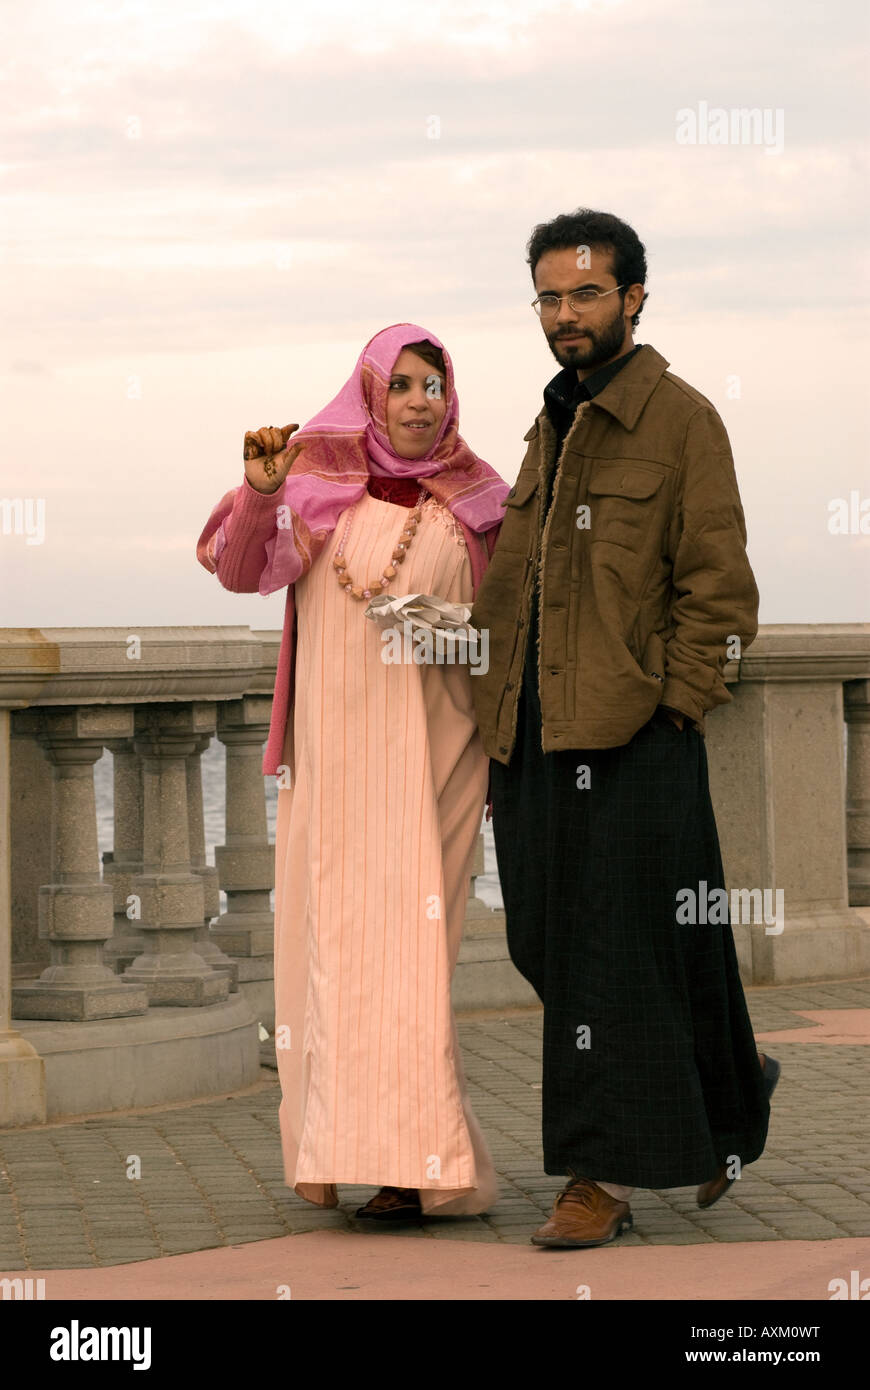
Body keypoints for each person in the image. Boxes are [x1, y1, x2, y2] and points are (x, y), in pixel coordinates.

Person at [469, 210, 780, 1248]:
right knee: (546, 939)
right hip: (529, 737)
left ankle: (598, 1177)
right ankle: (731, 1089)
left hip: (632, 739)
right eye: (550, 298)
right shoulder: (547, 424)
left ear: (634, 297)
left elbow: (720, 594)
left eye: (586, 293)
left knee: (612, 962)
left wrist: (675, 708)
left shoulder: (681, 420)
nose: (566, 314)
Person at [197, 323, 509, 1220]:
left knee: (414, 959)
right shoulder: (309, 485)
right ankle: (341, 1149)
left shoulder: (481, 502)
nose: (421, 403)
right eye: (403, 385)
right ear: (371, 391)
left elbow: (505, 635)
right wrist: (259, 493)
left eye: (435, 388)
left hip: (438, 761)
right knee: (332, 959)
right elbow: (240, 568)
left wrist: (442, 627)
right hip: (332, 771)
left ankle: (421, 1166)